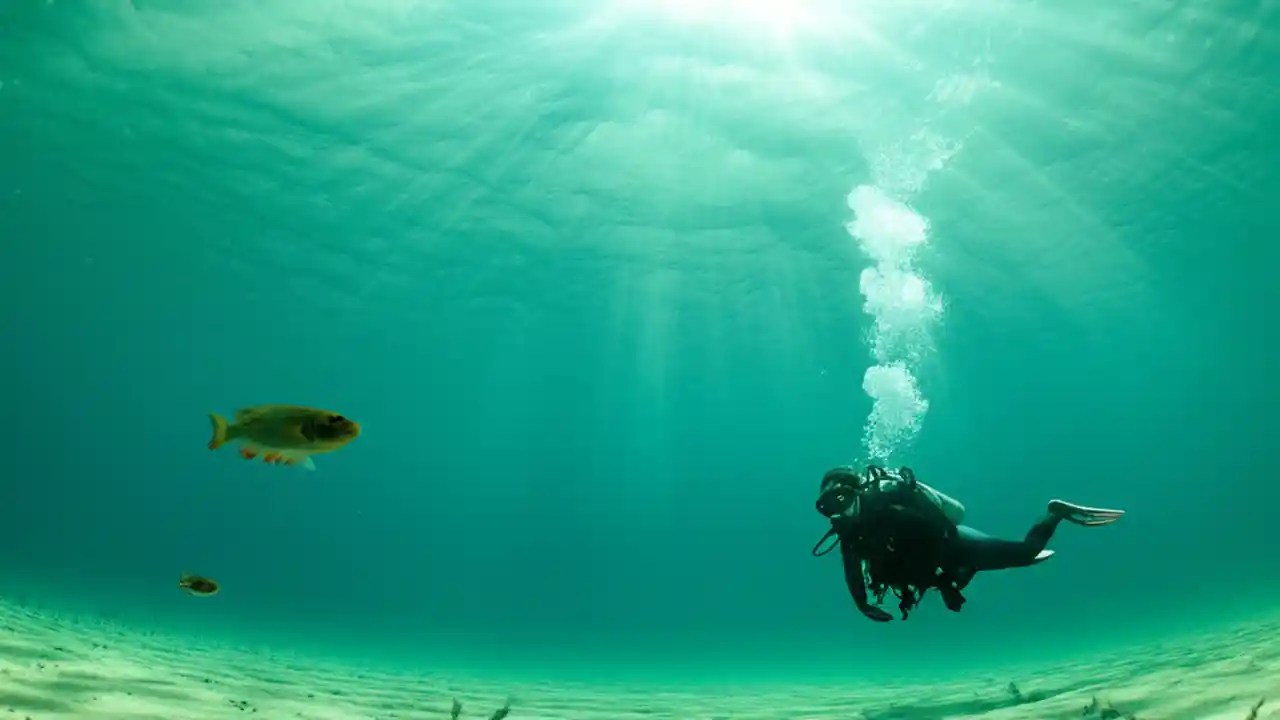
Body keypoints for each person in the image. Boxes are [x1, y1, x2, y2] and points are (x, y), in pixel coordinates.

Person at [812, 464, 1125, 622]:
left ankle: (1053, 514)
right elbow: (851, 569)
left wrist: (946, 581)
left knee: (1026, 554)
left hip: (952, 545)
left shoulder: (892, 507)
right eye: (827, 506)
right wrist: (862, 603)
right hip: (932, 565)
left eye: (840, 499)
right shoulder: (850, 533)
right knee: (955, 579)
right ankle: (966, 573)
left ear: (856, 492)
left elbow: (940, 537)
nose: (836, 513)